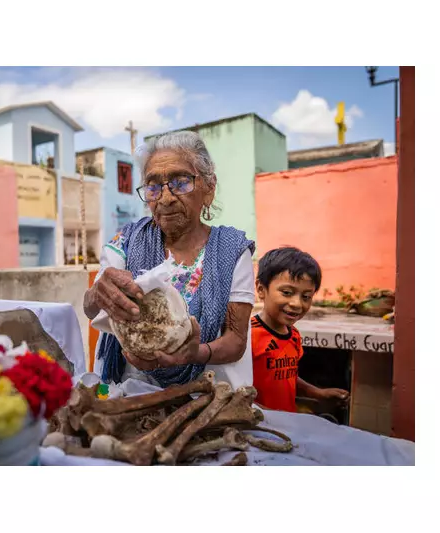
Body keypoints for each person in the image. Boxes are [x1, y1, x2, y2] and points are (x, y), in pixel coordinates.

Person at [83, 131, 256, 388]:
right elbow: (90, 308)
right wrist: (99, 293)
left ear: (209, 188)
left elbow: (236, 340)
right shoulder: (128, 241)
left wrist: (194, 355)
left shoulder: (231, 250)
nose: (164, 198)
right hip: (132, 395)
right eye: (153, 186)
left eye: (181, 182)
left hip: (205, 399)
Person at [250, 247, 350, 412]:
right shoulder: (249, 336)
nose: (297, 304)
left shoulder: (293, 335)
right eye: (287, 292)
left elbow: (286, 375)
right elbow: (236, 387)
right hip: (259, 427)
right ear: (261, 289)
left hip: (288, 424)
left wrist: (317, 393)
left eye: (306, 297)